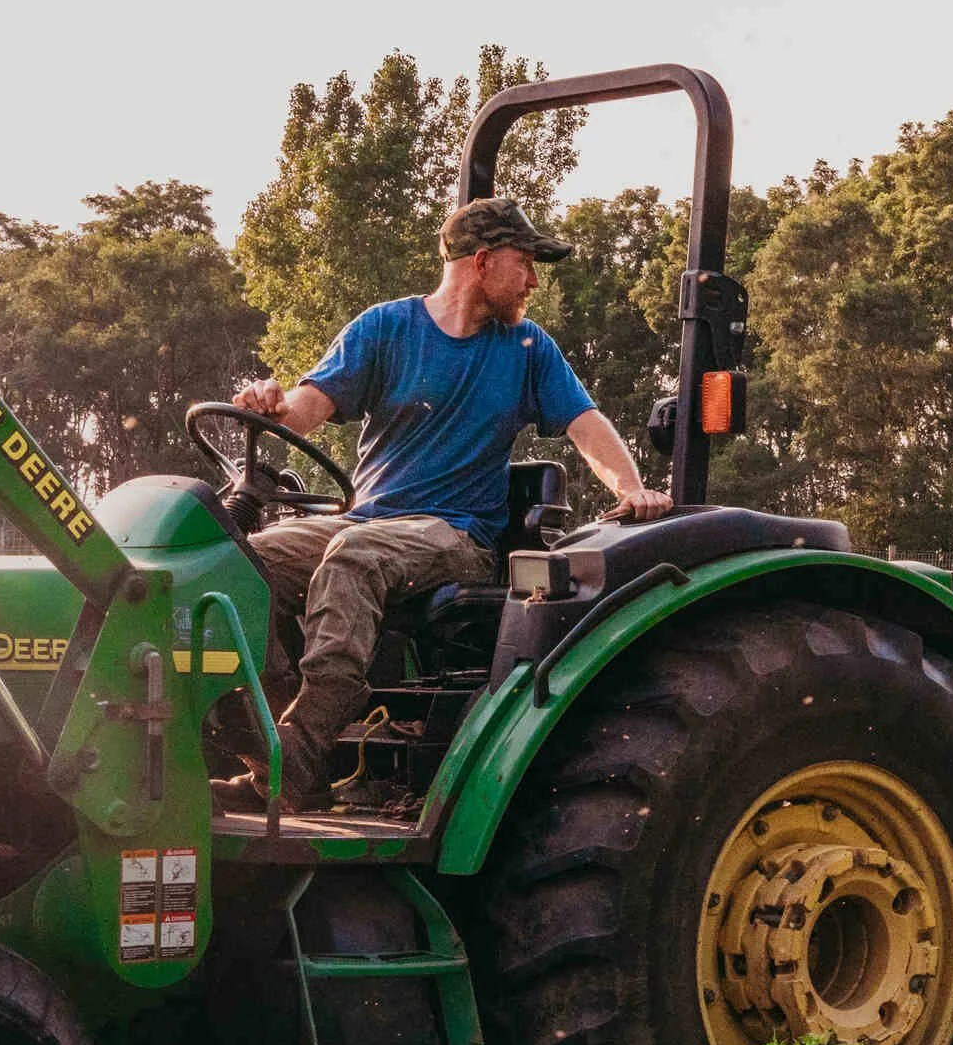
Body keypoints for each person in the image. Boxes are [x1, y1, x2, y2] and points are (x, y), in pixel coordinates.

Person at [211, 196, 672, 812]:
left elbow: (586, 426)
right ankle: (284, 748)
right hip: (368, 519)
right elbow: (304, 412)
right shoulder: (384, 329)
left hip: (455, 536)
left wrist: (629, 488)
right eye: (525, 263)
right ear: (481, 261)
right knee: (238, 565)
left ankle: (302, 750)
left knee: (354, 555)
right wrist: (269, 403)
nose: (533, 281)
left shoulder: (527, 349)